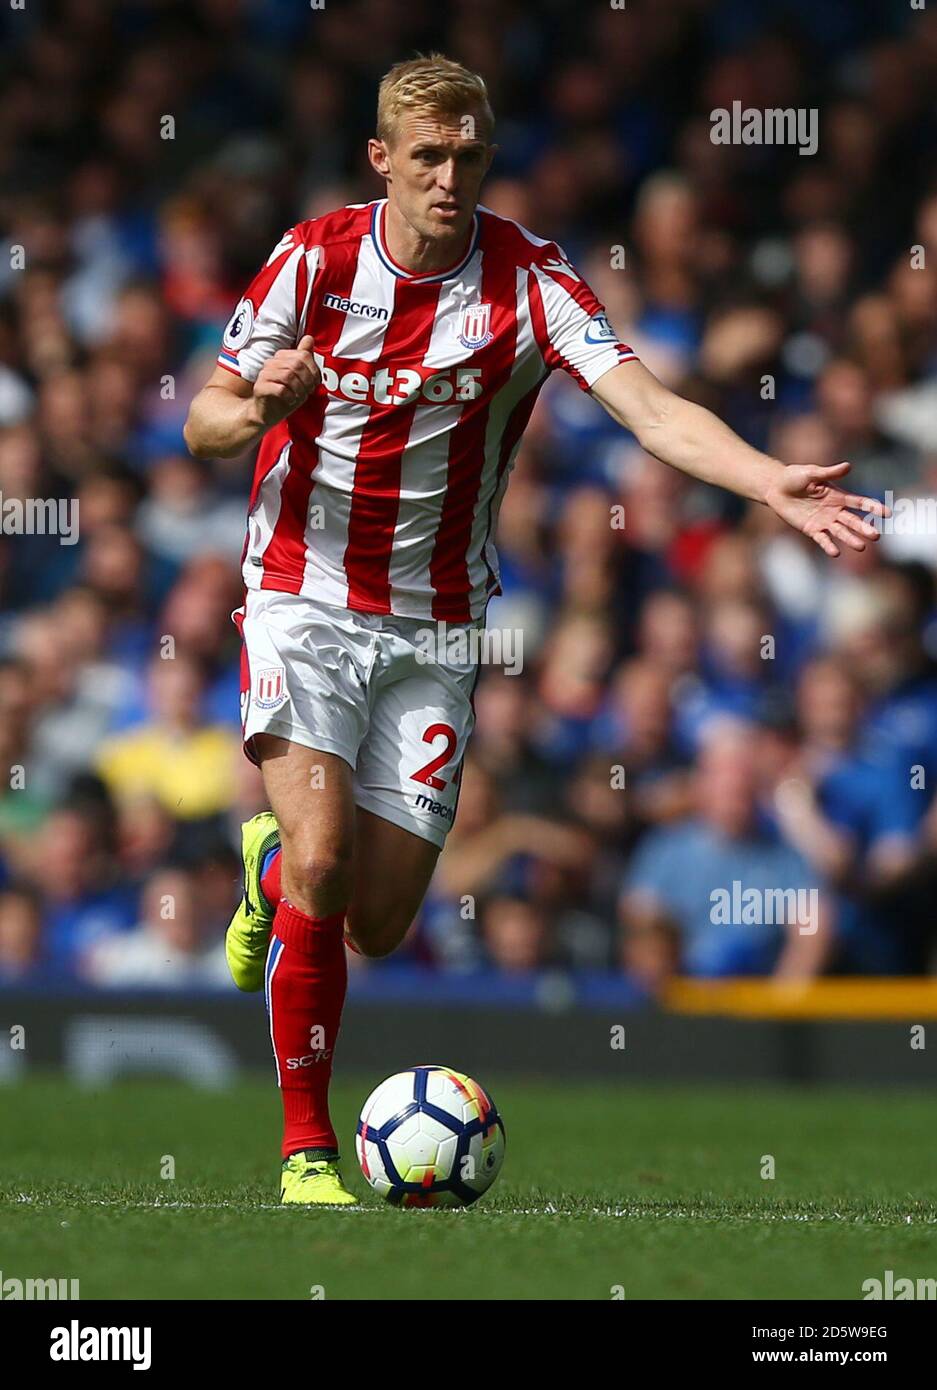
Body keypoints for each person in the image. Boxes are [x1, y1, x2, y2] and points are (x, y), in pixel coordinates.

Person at [183, 54, 887, 1206]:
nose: (448, 177)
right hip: (301, 590)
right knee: (323, 858)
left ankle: (265, 865)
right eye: (425, 157)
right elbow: (205, 423)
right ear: (381, 160)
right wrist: (259, 405)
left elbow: (648, 405)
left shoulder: (529, 279)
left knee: (380, 920)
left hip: (439, 623)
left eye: (467, 156)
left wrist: (766, 481)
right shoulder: (312, 261)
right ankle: (303, 1151)